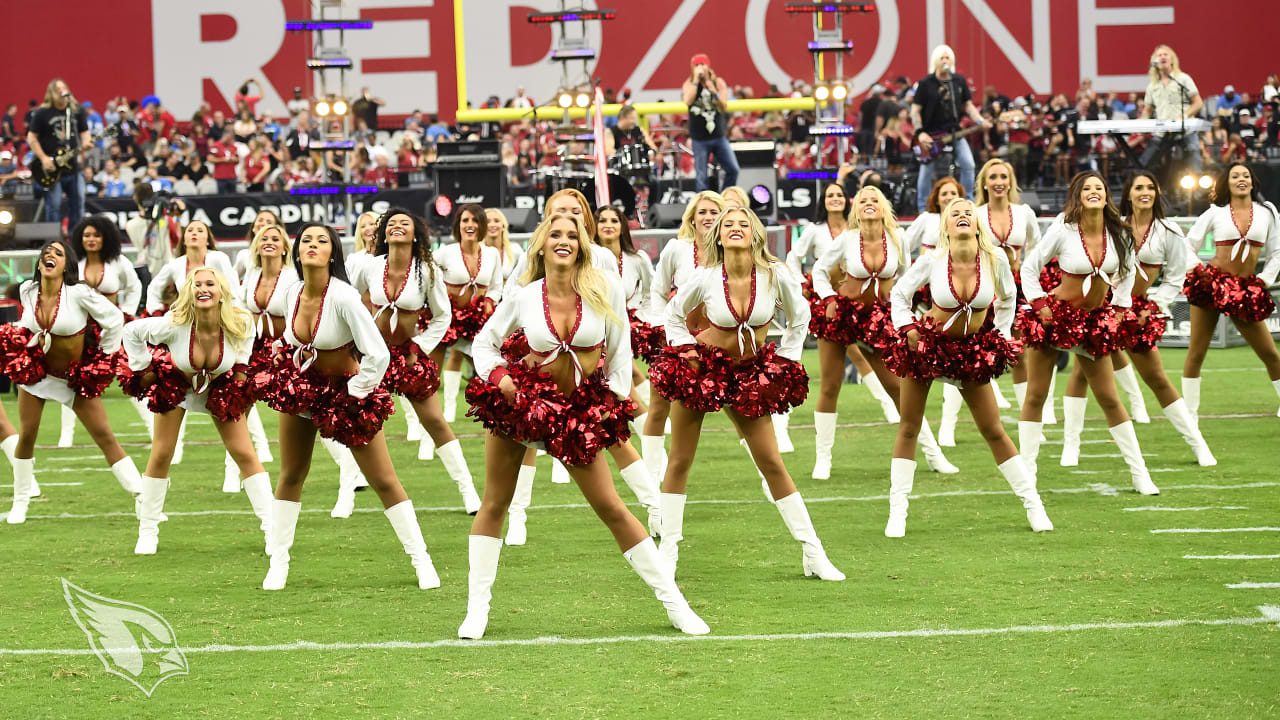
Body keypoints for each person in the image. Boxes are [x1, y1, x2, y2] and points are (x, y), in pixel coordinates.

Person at [461, 211, 708, 639]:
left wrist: (611, 396)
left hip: (577, 412)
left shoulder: (603, 288)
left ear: (581, 244)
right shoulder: (524, 296)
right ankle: (476, 610)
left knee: (611, 507)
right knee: (495, 503)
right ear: (541, 244)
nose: (563, 241)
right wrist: (500, 379)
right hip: (523, 407)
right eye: (554, 234)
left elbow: (620, 347)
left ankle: (675, 604)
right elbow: (485, 344)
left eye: (571, 235)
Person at [653, 205, 843, 581]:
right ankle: (667, 553)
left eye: (744, 223)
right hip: (703, 371)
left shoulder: (774, 276)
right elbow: (673, 314)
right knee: (679, 461)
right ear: (718, 236)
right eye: (728, 225)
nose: (736, 228)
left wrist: (785, 360)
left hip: (748, 375)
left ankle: (813, 552)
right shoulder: (705, 277)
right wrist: (686, 350)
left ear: (755, 234)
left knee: (771, 461)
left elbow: (800, 316)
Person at [259, 222, 439, 591]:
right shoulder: (291, 291)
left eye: (321, 241)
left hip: (347, 394)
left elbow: (378, 352)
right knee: (291, 474)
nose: (312, 245)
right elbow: (291, 337)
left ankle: (422, 560)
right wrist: (286, 353)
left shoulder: (343, 296)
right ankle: (278, 562)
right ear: (296, 252)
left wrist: (356, 391)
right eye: (306, 240)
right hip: (303, 390)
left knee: (383, 479)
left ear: (333, 253)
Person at [885, 199, 1052, 536]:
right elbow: (899, 295)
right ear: (945, 226)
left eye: (968, 213)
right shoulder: (932, 260)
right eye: (954, 214)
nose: (961, 216)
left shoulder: (995, 259)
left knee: (993, 430)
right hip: (930, 348)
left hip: (970, 351)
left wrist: (1001, 334)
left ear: (977, 225)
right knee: (909, 427)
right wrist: (909, 328)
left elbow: (1008, 298)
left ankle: (1034, 505)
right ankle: (897, 512)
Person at [1059, 171, 1215, 467]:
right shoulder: (1113, 225)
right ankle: (1071, 445)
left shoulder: (1168, 230)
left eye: (1150, 188)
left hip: (1139, 312)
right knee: (1080, 375)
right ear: (1127, 194)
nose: (1145, 192)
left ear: (1157, 193)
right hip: (1104, 309)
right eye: (1138, 188)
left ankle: (1198, 444)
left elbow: (1175, 277)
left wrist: (1155, 303)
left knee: (1156, 377)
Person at [1016, 171, 1158, 495]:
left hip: (1094, 323)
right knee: (1036, 395)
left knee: (1109, 397)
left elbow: (1126, 274)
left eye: (1099, 188)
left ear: (1107, 196)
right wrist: (1039, 304)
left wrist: (1119, 311)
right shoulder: (1063, 229)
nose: (1093, 192)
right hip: (1056, 319)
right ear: (1078, 196)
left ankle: (1140, 474)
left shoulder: (1119, 233)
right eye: (1086, 189)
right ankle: (1027, 476)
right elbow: (1030, 266)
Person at [121, 267, 273, 554]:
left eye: (210, 284)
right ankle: (148, 530)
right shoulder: (173, 324)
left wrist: (240, 386)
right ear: (189, 292)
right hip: (177, 385)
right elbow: (131, 331)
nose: (203, 289)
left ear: (221, 293)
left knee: (244, 453)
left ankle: (271, 529)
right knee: (162, 452)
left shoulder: (240, 323)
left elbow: (244, 354)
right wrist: (142, 367)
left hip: (220, 386)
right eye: (197, 284)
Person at [811, 186, 958, 479]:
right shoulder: (847, 239)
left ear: (883, 207)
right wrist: (827, 299)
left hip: (878, 318)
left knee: (898, 386)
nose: (869, 204)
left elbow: (905, 276)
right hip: (842, 314)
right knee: (830, 386)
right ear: (856, 209)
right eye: (863, 200)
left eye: (874, 200)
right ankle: (823, 459)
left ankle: (933, 453)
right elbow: (818, 270)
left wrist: (901, 309)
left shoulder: (898, 238)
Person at [353, 207, 482, 514]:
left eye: (404, 223)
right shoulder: (370, 266)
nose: (397, 227)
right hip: (375, 357)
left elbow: (442, 315)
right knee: (358, 418)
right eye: (391, 223)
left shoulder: (427, 269)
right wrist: (359, 343)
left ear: (415, 234)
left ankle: (468, 492)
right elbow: (347, 300)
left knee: (435, 422)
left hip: (409, 357)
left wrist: (420, 346)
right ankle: (351, 485)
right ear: (384, 232)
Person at [2, 240, 141, 524]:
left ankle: (143, 498)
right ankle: (21, 502)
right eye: (46, 253)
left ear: (67, 265)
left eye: (58, 253)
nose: (50, 256)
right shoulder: (29, 291)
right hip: (38, 373)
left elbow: (114, 319)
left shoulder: (79, 293)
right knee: (27, 436)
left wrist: (103, 357)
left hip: (74, 379)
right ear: (40, 263)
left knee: (104, 437)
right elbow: (27, 325)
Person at [1181, 163, 1280, 419]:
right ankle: (1190, 414)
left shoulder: (1267, 213)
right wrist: (1198, 270)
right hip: (1212, 285)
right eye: (1235, 176)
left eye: (1245, 175)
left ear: (1252, 181)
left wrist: (1265, 280)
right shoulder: (1215, 213)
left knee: (1269, 353)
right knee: (1197, 352)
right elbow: (1187, 245)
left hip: (1245, 290)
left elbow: (1277, 252)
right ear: (1227, 183)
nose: (1241, 179)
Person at [972, 159, 1048, 432]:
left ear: (1011, 181)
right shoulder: (976, 214)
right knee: (968, 352)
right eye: (993, 177)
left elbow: (1038, 250)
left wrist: (1032, 278)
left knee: (1020, 354)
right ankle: (947, 425)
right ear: (984, 183)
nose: (999, 182)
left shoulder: (1024, 212)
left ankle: (1027, 419)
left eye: (1004, 176)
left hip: (1016, 288)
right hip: (985, 289)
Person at [59, 217, 145, 447]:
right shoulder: (74, 262)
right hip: (82, 331)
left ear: (105, 237)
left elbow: (135, 286)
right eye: (87, 235)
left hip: (114, 329)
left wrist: (127, 313)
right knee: (73, 379)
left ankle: (154, 429)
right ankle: (65, 436)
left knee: (131, 375)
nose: (91, 240)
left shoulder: (118, 262)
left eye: (96, 235)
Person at [432, 205, 504, 428]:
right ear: (458, 225)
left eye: (475, 221)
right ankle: (440, 415)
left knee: (485, 364)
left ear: (481, 225)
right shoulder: (445, 252)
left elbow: (496, 285)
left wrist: (490, 302)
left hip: (478, 320)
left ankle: (491, 412)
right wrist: (439, 303)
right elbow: (427, 276)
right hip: (449, 319)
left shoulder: (491, 254)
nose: (470, 225)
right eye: (465, 221)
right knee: (433, 370)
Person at [911, 46, 991, 211]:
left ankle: (968, 202)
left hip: (954, 132)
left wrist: (980, 121)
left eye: (948, 58)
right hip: (931, 134)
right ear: (936, 61)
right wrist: (920, 133)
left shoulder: (958, 81)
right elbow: (915, 111)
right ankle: (922, 209)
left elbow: (968, 106)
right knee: (926, 170)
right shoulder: (926, 83)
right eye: (942, 58)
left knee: (968, 164)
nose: (945, 61)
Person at [27, 79, 92, 228]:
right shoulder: (42, 113)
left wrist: (87, 142)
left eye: (64, 88)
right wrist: (43, 158)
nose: (62, 91)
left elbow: (84, 133)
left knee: (78, 202)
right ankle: (54, 241)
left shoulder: (76, 111)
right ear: (51, 93)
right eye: (58, 89)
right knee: (54, 205)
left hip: (73, 167)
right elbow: (31, 137)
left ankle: (74, 238)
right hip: (51, 167)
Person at [1140, 45, 1204, 173]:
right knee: (1145, 162)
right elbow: (1147, 110)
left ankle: (1198, 192)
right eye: (1159, 55)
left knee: (1194, 159)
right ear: (1155, 62)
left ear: (1172, 60)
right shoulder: (1152, 85)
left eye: (1165, 54)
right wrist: (1143, 123)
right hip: (1163, 132)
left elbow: (1198, 103)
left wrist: (1184, 116)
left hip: (1186, 130)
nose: (1163, 57)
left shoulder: (1183, 79)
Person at [682, 54, 739, 191]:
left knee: (733, 169)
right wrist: (696, 80)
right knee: (701, 179)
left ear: (708, 66)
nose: (700, 68)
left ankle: (724, 199)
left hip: (718, 136)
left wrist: (713, 90)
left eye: (702, 65)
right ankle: (703, 207)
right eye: (696, 66)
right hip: (699, 139)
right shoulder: (689, 83)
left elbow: (723, 106)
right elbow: (688, 101)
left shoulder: (718, 82)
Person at [483, 208, 525, 282]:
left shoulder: (515, 249)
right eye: (487, 222)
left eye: (496, 221)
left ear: (503, 226)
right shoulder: (476, 250)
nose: (492, 225)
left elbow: (525, 276)